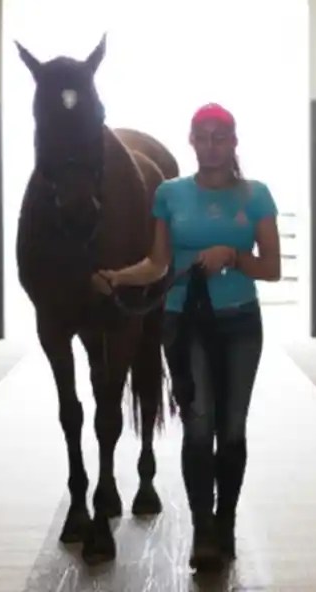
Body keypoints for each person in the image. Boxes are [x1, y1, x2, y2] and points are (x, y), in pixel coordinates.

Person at [92, 102, 281, 569]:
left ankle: (226, 520)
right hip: (184, 323)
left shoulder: (256, 196)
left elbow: (272, 268)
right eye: (203, 136)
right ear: (191, 141)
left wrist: (233, 257)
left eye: (220, 137)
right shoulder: (171, 196)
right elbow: (157, 263)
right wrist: (118, 277)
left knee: (231, 429)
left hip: (239, 322)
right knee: (198, 428)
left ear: (234, 142)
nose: (211, 146)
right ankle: (202, 530)